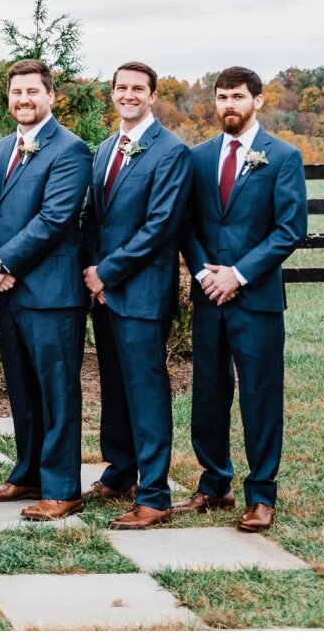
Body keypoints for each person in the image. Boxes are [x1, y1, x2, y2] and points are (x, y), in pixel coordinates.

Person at [175, 66, 307, 533]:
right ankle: (214, 484)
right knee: (208, 394)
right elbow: (185, 225)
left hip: (257, 300)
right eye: (221, 97)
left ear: (258, 101)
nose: (228, 105)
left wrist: (239, 274)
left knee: (260, 396)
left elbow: (290, 230)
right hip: (209, 296)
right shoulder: (197, 157)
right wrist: (204, 273)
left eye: (237, 96)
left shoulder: (283, 157)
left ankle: (262, 496)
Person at [0, 59, 92, 521]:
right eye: (16, 92)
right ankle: (27, 474)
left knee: (57, 391)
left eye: (32, 92)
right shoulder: (2, 149)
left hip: (52, 293)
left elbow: (55, 219)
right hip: (8, 291)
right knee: (21, 388)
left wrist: (4, 262)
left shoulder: (70, 150)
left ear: (50, 96)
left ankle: (63, 487)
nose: (23, 99)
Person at [79, 62, 191, 529]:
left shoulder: (171, 152)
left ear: (152, 96)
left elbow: (159, 228)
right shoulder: (107, 147)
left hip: (141, 292)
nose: (128, 95)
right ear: (113, 93)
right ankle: (120, 469)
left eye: (137, 89)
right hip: (103, 293)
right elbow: (95, 218)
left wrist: (106, 272)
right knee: (115, 388)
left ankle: (156, 494)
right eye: (121, 87)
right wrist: (91, 274)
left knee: (146, 391)